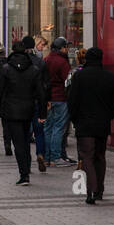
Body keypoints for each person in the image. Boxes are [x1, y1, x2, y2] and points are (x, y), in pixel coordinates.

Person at [66, 45, 114, 204]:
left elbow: (72, 101)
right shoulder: (109, 77)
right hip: (102, 124)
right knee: (100, 156)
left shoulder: (79, 77)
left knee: (87, 156)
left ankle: (91, 190)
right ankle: (99, 190)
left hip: (84, 124)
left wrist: (74, 119)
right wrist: (108, 116)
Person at [0, 40, 47, 186]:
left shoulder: (6, 69)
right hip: (28, 109)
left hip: (11, 111)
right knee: (26, 140)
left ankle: (24, 174)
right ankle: (26, 168)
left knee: (18, 143)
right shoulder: (33, 69)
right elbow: (41, 93)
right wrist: (42, 114)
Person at [43, 37, 73, 167]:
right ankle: (56, 157)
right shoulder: (62, 62)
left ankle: (47, 157)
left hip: (48, 99)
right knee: (59, 128)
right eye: (66, 47)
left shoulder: (46, 60)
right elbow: (68, 81)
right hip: (60, 98)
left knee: (48, 127)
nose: (67, 49)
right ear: (61, 48)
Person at [21, 34, 48, 172]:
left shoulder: (19, 62)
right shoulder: (40, 62)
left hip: (23, 102)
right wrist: (45, 105)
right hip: (37, 101)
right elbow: (44, 86)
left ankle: (26, 162)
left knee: (25, 133)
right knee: (39, 131)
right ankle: (40, 154)